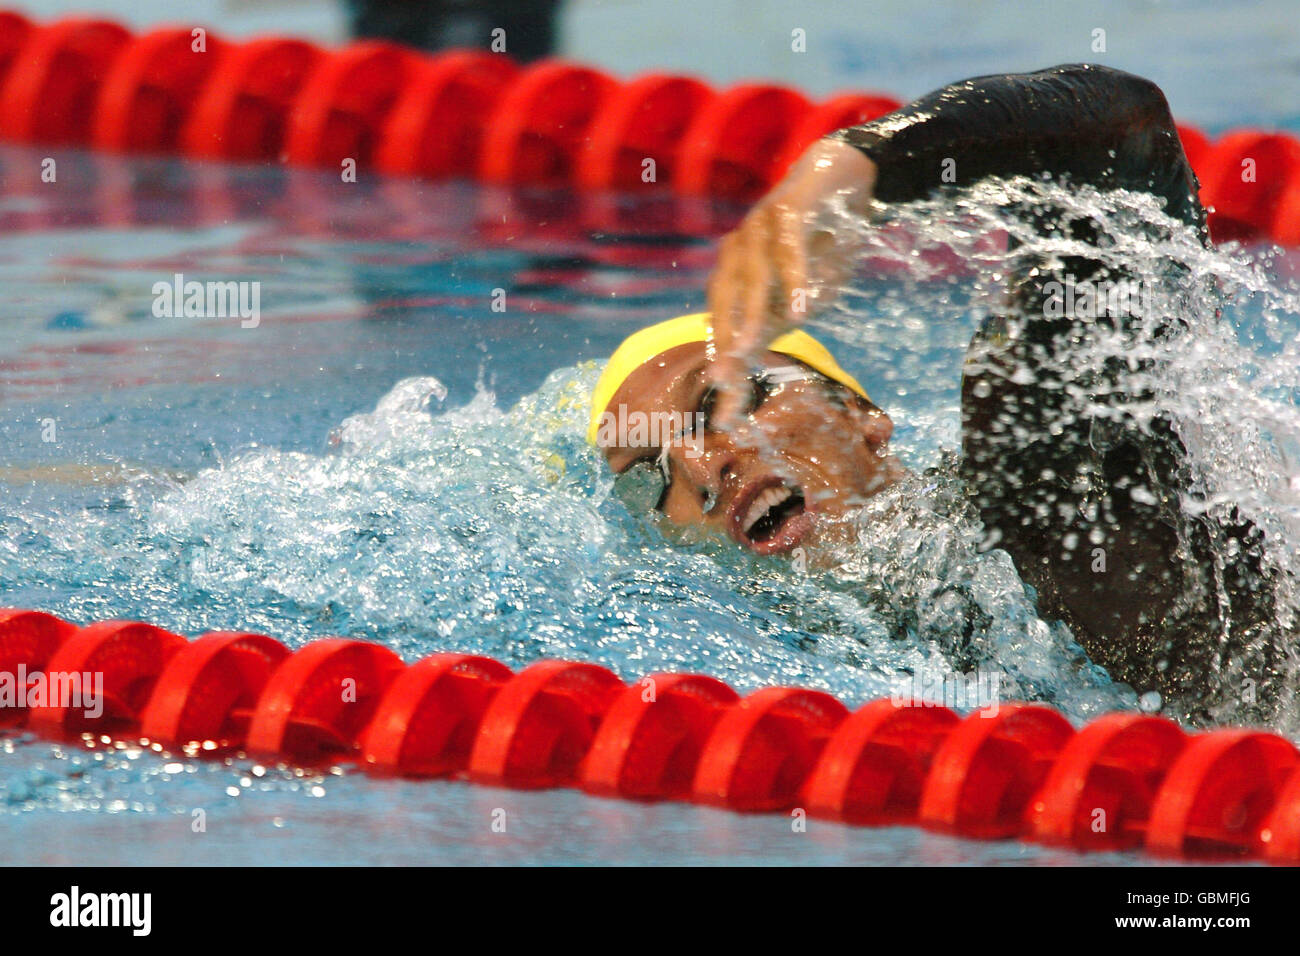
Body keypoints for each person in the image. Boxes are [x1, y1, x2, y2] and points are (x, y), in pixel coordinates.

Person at [588, 64, 1289, 722]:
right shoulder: (818, 684)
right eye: (652, 473)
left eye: (723, 403)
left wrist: (853, 167)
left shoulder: (1034, 493)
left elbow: (1124, 136)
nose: (702, 467)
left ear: (862, 416)